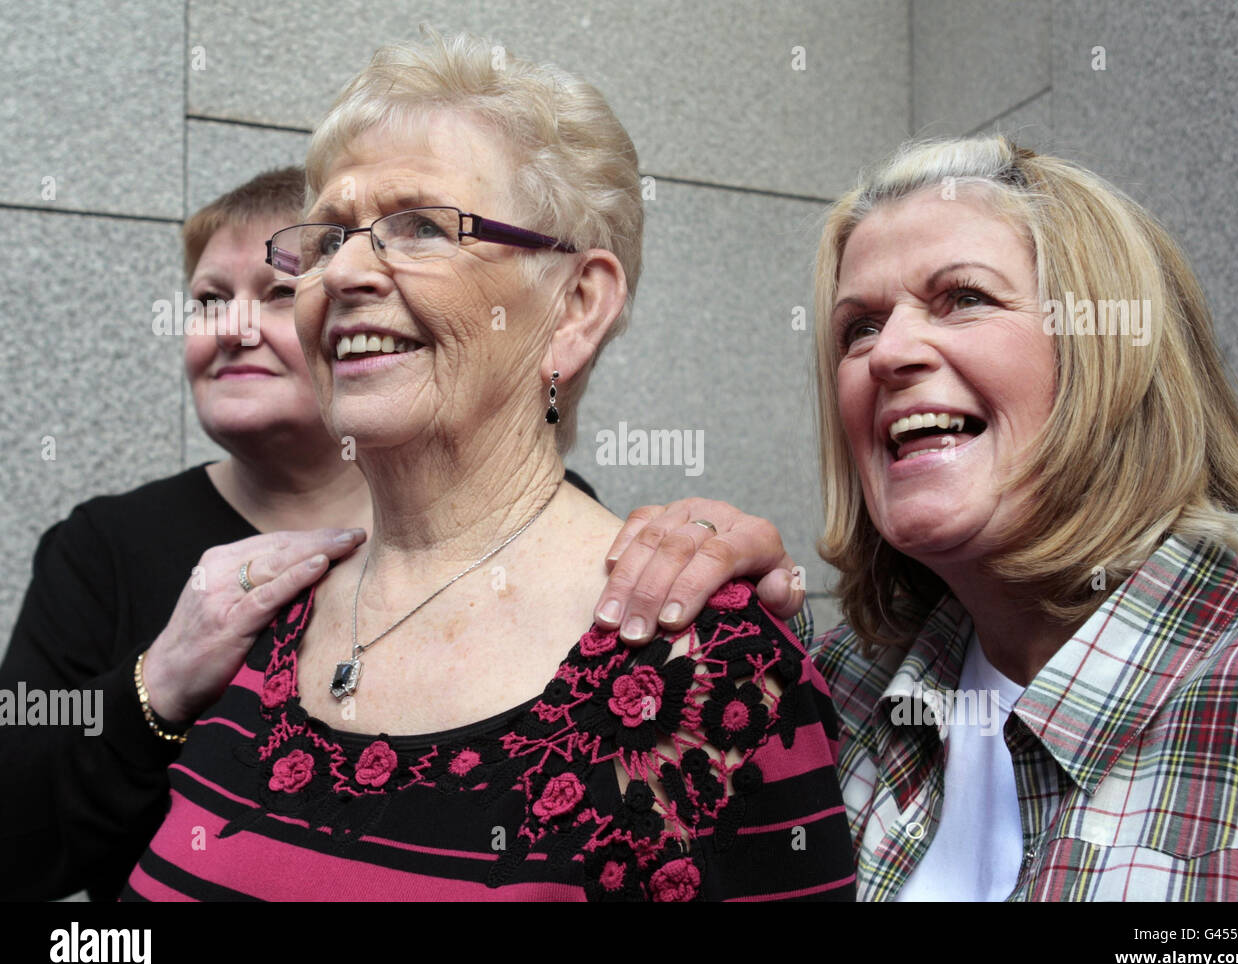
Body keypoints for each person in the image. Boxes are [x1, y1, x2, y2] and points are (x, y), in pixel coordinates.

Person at [122, 31, 854, 902]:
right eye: (325, 240)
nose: (344, 272)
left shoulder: (707, 665)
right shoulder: (258, 620)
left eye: (420, 227)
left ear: (576, 306)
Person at [599, 137, 1238, 901]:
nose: (889, 353)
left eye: (963, 298)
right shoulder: (843, 695)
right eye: (858, 327)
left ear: (1113, 350)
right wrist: (723, 626)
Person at [0, 164, 599, 901]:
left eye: (278, 294)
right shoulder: (102, 546)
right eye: (208, 301)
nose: (232, 329)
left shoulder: (526, 523)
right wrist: (152, 688)